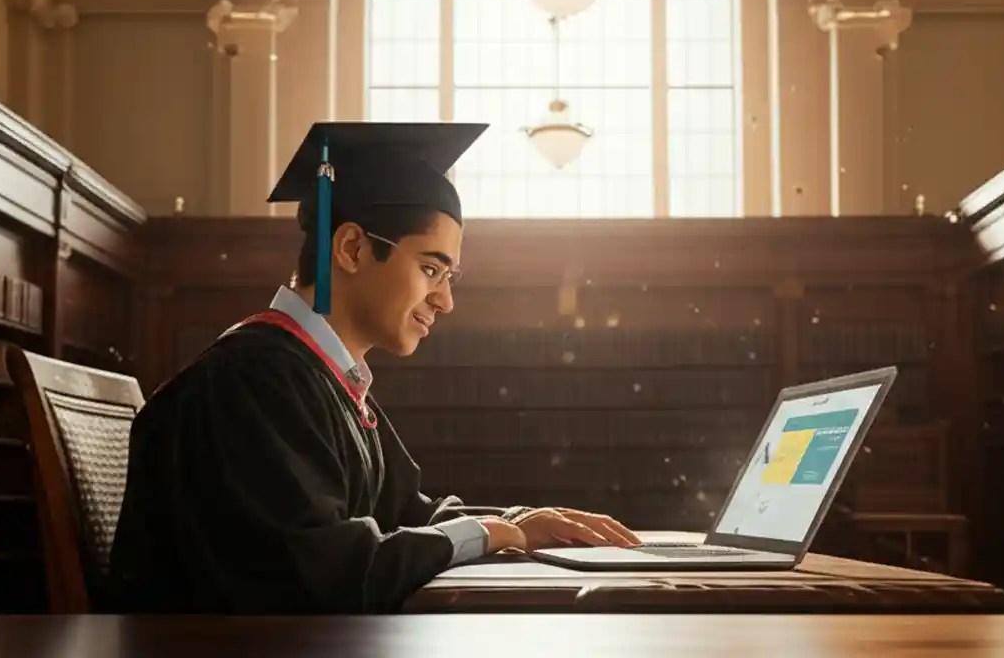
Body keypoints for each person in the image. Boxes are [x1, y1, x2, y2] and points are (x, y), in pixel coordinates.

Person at [108, 122, 640, 614]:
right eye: (430, 268)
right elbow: (322, 574)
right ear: (352, 248)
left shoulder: (319, 376)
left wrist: (516, 522)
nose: (445, 301)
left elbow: (406, 514)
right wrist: (489, 533)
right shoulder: (251, 379)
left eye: (449, 277)